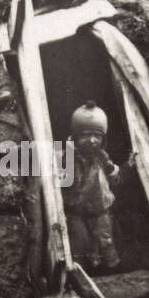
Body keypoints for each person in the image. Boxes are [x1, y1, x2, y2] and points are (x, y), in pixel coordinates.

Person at [63, 100, 130, 272]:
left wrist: (127, 168)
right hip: (77, 216)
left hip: (102, 214)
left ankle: (111, 276)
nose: (92, 140)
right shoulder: (68, 158)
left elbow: (115, 177)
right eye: (85, 135)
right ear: (76, 137)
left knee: (107, 246)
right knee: (79, 250)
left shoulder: (102, 158)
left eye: (97, 135)